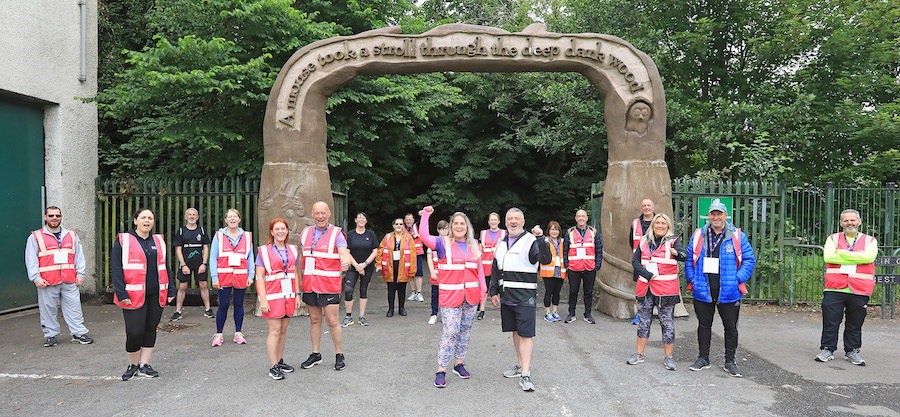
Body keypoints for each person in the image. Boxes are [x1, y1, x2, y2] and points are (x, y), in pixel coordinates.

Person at [686, 201, 755, 377]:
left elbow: (749, 259)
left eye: (719, 214)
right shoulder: (699, 235)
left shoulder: (737, 236)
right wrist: (692, 280)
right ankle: (703, 358)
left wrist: (737, 279)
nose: (716, 217)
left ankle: (730, 362)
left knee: (731, 327)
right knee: (703, 326)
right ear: (708, 215)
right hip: (704, 288)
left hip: (729, 291)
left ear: (725, 215)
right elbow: (689, 260)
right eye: (713, 214)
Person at [420, 207, 486, 388]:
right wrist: (426, 215)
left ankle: (459, 364)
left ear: (467, 226)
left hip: (471, 298)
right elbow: (424, 236)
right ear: (450, 226)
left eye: (462, 223)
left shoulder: (475, 245)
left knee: (464, 333)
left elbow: (480, 271)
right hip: (450, 298)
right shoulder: (443, 243)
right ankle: (441, 370)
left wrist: (484, 291)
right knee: (450, 333)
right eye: (455, 223)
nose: (458, 226)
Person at [490, 208, 551, 392]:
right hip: (507, 297)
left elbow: (546, 260)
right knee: (515, 332)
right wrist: (493, 291)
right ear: (505, 222)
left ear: (523, 222)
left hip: (525, 297)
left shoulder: (531, 241)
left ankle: (525, 374)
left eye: (517, 219)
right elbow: (495, 268)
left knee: (525, 335)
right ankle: (519, 365)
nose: (513, 221)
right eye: (510, 219)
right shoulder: (501, 242)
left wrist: (541, 239)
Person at [112, 208, 175, 380]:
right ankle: (132, 364)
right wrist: (121, 292)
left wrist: (171, 289)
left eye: (150, 218)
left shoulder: (159, 241)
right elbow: (116, 269)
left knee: (150, 329)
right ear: (135, 221)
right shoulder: (124, 240)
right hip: (132, 295)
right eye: (143, 218)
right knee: (134, 332)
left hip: (156, 293)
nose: (147, 220)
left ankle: (144, 365)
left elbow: (165, 266)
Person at [815, 209, 878, 366]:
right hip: (835, 286)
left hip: (860, 287)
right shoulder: (833, 238)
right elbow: (828, 256)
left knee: (855, 322)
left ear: (859, 221)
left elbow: (869, 257)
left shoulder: (870, 240)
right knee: (830, 320)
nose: (849, 223)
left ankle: (852, 351)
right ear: (840, 223)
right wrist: (858, 257)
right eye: (846, 220)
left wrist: (841, 253)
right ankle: (827, 349)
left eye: (852, 220)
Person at [24, 206, 93, 347]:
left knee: (74, 307)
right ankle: (51, 335)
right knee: (47, 309)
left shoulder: (72, 235)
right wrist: (36, 278)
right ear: (45, 217)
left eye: (57, 215)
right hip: (47, 280)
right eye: (51, 215)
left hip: (69, 279)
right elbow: (30, 259)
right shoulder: (36, 236)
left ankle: (78, 333)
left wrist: (80, 274)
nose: (54, 218)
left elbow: (79, 256)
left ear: (61, 217)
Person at [627, 213, 687, 370]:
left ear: (668, 226)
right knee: (643, 322)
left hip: (666, 290)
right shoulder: (644, 241)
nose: (660, 225)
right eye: (657, 223)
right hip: (646, 288)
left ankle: (669, 357)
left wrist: (678, 253)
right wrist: (647, 274)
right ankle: (639, 354)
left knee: (667, 323)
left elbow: (684, 256)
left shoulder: (673, 241)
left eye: (663, 223)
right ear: (653, 225)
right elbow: (635, 262)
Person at [298, 201, 351, 371]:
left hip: (329, 285)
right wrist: (299, 280)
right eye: (316, 213)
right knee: (314, 320)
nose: (320, 216)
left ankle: (339, 354)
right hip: (309, 285)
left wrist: (346, 262)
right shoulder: (305, 232)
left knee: (332, 321)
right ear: (312, 214)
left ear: (329, 213)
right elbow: (302, 258)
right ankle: (315, 354)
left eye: (323, 213)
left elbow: (344, 252)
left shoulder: (337, 233)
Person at [255, 218, 302, 380]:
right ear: (272, 232)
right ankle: (273, 366)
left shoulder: (293, 249)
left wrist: (297, 294)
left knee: (283, 330)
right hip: (272, 296)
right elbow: (259, 277)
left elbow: (294, 273)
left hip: (288, 296)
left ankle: (279, 360)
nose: (281, 231)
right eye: (277, 229)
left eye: (283, 228)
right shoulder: (264, 251)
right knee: (274, 331)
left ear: (287, 231)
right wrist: (263, 299)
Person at [209, 208, 254, 346]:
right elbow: (213, 257)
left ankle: (238, 333)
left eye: (235, 216)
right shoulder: (219, 236)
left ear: (239, 219)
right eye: (230, 217)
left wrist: (251, 275)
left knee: (239, 305)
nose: (232, 219)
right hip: (223, 276)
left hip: (241, 275)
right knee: (223, 305)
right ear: (226, 220)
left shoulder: (246, 236)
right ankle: (218, 334)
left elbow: (250, 256)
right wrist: (214, 277)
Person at [170, 208, 213, 322]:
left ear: (197, 217)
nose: (192, 216)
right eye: (189, 214)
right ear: (186, 217)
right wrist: (183, 265)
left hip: (199, 263)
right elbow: (178, 250)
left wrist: (204, 263)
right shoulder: (181, 231)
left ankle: (208, 309)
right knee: (182, 287)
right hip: (186, 264)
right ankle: (178, 311)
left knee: (203, 285)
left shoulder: (202, 231)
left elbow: (206, 248)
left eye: (194, 214)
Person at [562, 209, 603, 324]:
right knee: (573, 291)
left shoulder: (593, 232)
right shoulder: (569, 232)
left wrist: (597, 264)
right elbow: (565, 250)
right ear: (575, 218)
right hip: (574, 267)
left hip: (589, 267)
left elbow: (599, 249)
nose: (581, 218)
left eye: (583, 216)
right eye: (578, 216)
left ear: (586, 218)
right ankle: (571, 313)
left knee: (588, 292)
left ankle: (588, 314)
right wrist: (566, 264)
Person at [341, 212, 378, 327]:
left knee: (363, 290)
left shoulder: (371, 234)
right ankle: (348, 316)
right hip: (353, 267)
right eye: (359, 218)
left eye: (363, 218)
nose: (361, 220)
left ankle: (362, 316)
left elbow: (375, 251)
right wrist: (357, 265)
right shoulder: (350, 235)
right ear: (355, 220)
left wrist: (364, 264)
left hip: (367, 267)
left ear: (366, 221)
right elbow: (346, 251)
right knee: (348, 290)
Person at [376, 218, 418, 317]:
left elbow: (413, 254)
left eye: (401, 224)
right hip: (390, 266)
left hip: (403, 266)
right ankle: (390, 309)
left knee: (402, 289)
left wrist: (412, 270)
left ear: (403, 226)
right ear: (393, 226)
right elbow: (380, 251)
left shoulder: (408, 238)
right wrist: (378, 264)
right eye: (397, 224)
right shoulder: (387, 237)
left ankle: (401, 308)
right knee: (391, 289)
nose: (399, 226)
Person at [629, 199, 656, 325]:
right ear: (641, 208)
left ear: (653, 207)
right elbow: (631, 241)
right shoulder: (635, 223)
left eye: (648, 205)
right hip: (640, 262)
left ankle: (657, 313)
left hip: (656, 260)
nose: (646, 207)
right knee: (640, 288)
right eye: (644, 205)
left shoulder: (659, 221)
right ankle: (639, 314)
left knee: (657, 285)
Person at [477, 212, 506, 320]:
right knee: (484, 289)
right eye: (491, 220)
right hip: (485, 266)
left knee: (501, 288)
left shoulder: (504, 233)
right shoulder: (483, 233)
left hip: (499, 266)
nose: (493, 222)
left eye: (495, 220)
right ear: (489, 222)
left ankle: (503, 309)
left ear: (498, 221)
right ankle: (482, 311)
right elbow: (480, 249)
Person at [539, 221, 566, 322]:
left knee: (557, 293)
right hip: (548, 271)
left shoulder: (563, 241)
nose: (554, 231)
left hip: (560, 270)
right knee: (548, 292)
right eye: (552, 229)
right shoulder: (544, 240)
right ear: (548, 231)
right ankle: (547, 312)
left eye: (556, 229)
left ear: (559, 231)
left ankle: (555, 311)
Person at [426, 220, 450, 325]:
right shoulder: (433, 241)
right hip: (436, 273)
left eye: (446, 228)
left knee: (448, 295)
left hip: (448, 274)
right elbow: (429, 258)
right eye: (442, 229)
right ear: (438, 230)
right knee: (435, 295)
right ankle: (434, 314)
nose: (444, 231)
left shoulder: (451, 241)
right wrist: (432, 272)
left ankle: (447, 315)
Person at [404, 213, 426, 303]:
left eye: (410, 219)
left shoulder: (418, 227)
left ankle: (419, 293)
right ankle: (413, 292)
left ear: (413, 220)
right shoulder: (403, 229)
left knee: (418, 274)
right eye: (407, 220)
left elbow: (424, 223)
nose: (408, 221)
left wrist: (423, 214)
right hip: (407, 254)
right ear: (405, 221)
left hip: (417, 254)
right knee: (409, 274)